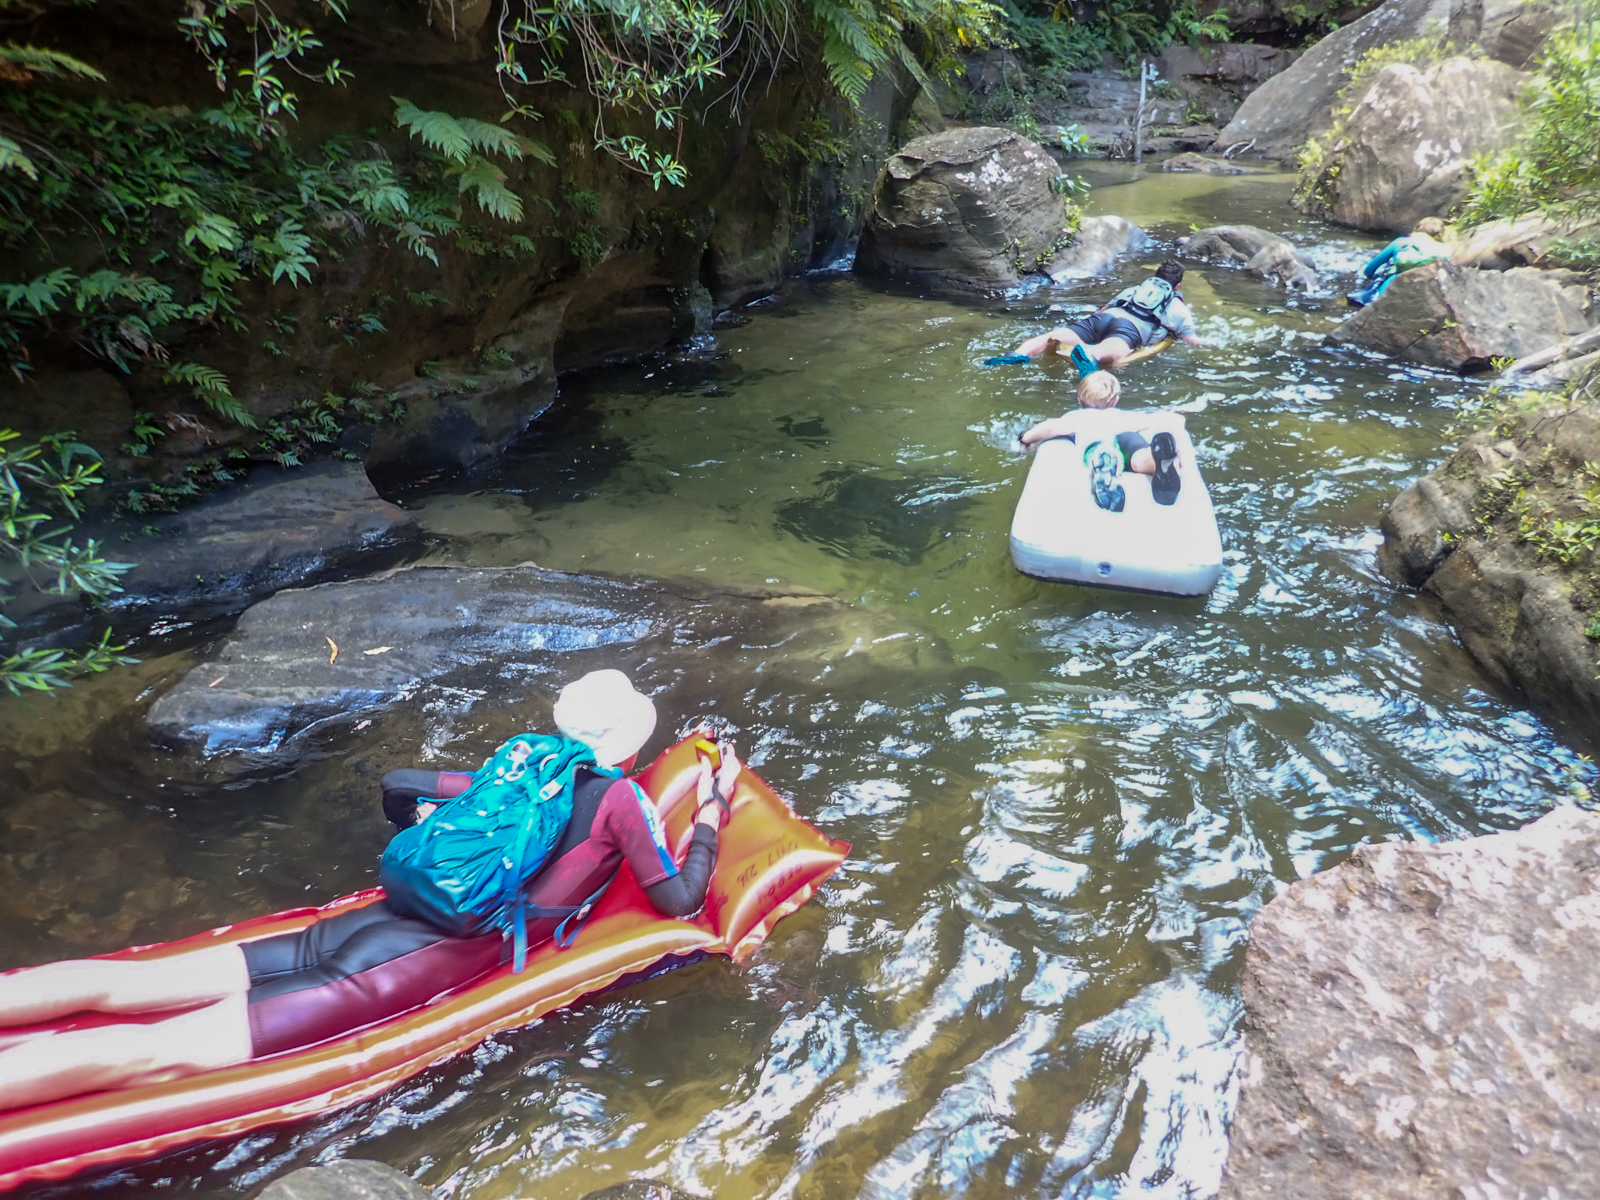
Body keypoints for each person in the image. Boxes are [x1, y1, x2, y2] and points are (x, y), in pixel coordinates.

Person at [0, 670, 739, 1112]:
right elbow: (680, 901)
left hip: (374, 919)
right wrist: (711, 811)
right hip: (397, 967)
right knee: (153, 1054)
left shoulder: (518, 763)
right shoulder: (620, 802)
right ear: (630, 746)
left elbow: (404, 785)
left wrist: (418, 831)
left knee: (125, 986)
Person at [1018, 370, 1183, 512]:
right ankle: (1152, 461)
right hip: (1124, 441)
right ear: (1115, 401)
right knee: (1136, 451)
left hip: (1097, 442)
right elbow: (1160, 420)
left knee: (1094, 449)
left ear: (1079, 401)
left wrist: (1026, 439)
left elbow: (1051, 428)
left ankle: (1103, 465)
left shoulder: (1076, 417)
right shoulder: (1122, 416)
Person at [1012, 259, 1203, 371]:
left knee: (1054, 336)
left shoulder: (1133, 290)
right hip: (1129, 330)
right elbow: (1190, 340)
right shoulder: (1179, 309)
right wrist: (1207, 344)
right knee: (1109, 351)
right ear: (1177, 286)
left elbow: (1102, 310)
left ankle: (1018, 353)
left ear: (1155, 276)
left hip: (1102, 319)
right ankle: (1091, 355)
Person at [1348, 217, 1449, 307]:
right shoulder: (1444, 249)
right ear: (1440, 234)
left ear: (1417, 228)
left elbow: (1369, 269)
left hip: (1391, 286)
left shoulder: (1401, 242)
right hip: (1426, 291)